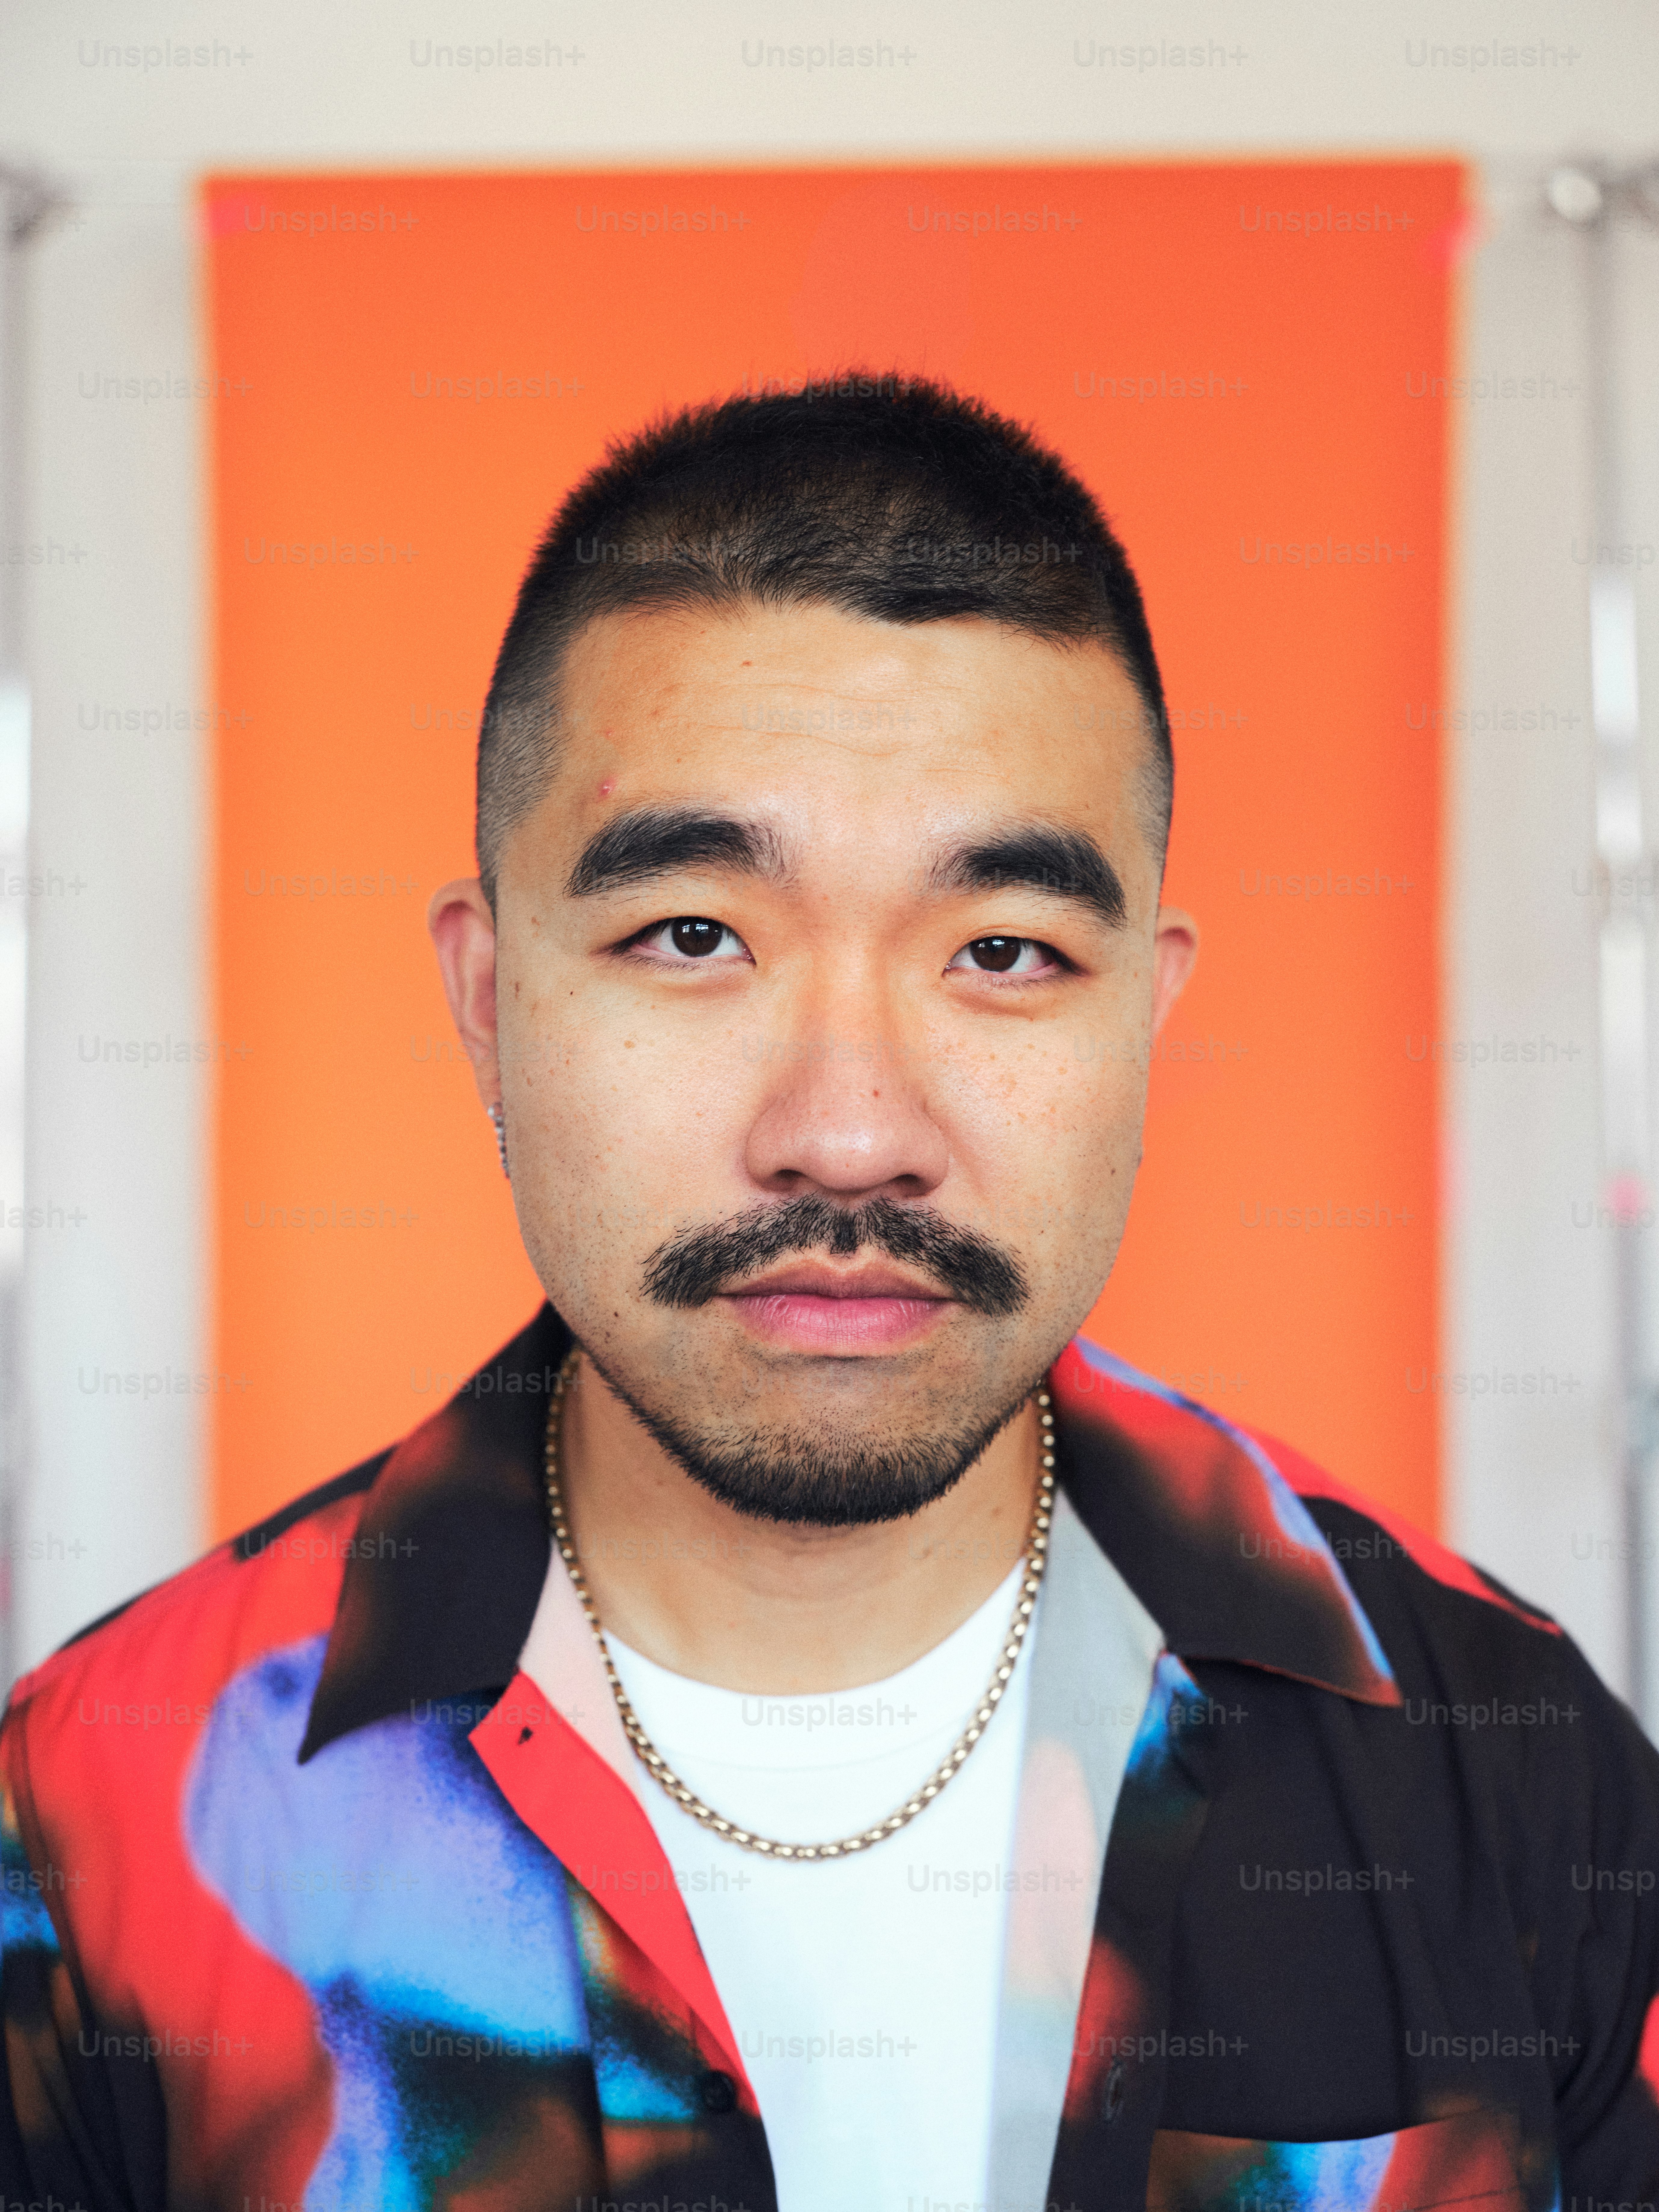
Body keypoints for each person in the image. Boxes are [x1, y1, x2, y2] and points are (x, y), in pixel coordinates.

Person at [3, 377, 1655, 2212]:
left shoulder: (1518, 1778)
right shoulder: (88, 1825)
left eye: (1006, 952)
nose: (851, 1133)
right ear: (488, 999)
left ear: (1148, 1014)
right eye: (693, 935)